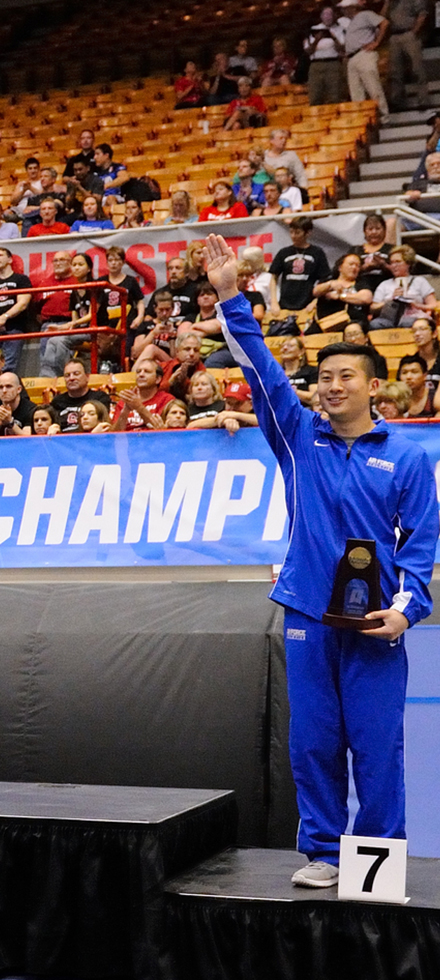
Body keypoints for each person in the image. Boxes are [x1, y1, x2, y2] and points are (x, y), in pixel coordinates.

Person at [208, 232, 436, 889]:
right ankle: (326, 854)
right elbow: (262, 370)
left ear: (373, 387)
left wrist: (405, 612)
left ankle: (379, 856)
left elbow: (420, 544)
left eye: (345, 377)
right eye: (325, 378)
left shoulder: (409, 457)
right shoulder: (299, 437)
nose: (331, 387)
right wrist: (231, 295)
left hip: (373, 629)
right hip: (308, 614)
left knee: (376, 749)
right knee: (312, 746)